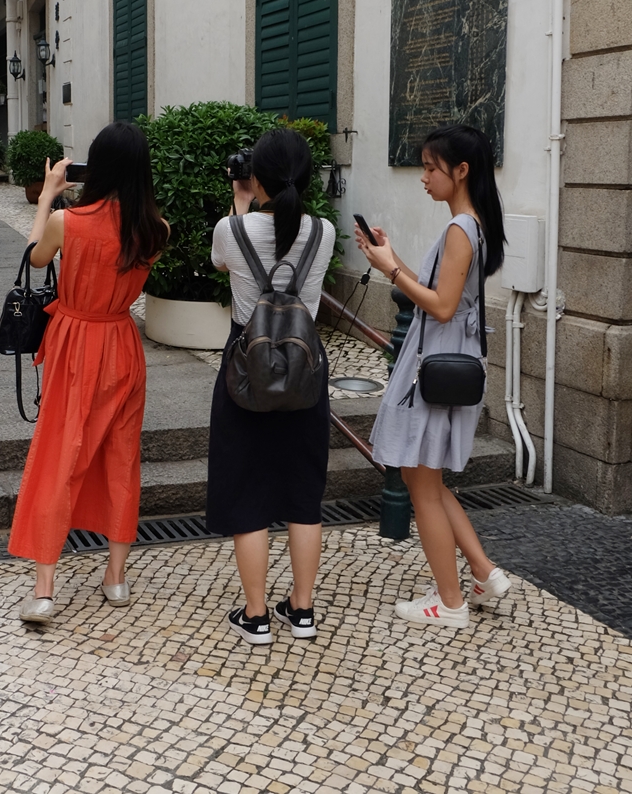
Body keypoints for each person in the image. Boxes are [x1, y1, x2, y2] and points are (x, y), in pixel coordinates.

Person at [8, 121, 169, 624]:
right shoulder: (156, 231)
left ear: (95, 167)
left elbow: (35, 260)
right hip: (122, 344)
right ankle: (115, 578)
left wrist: (47, 198)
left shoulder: (67, 221)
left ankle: (45, 588)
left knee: (61, 453)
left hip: (76, 343)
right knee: (121, 457)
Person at [354, 123, 511, 629]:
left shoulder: (459, 228)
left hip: (433, 364)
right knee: (431, 480)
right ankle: (484, 574)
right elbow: (440, 290)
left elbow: (441, 307)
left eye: (429, 167)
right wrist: (391, 258)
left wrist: (391, 273)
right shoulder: (473, 224)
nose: (423, 177)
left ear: (461, 171)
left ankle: (450, 602)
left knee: (421, 485)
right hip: (445, 360)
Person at [207, 128, 336, 645]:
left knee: (247, 487)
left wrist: (240, 207)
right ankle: (302, 611)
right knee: (304, 491)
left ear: (253, 175)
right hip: (305, 370)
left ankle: (256, 615)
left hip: (247, 367)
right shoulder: (324, 232)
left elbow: (222, 263)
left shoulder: (229, 230)